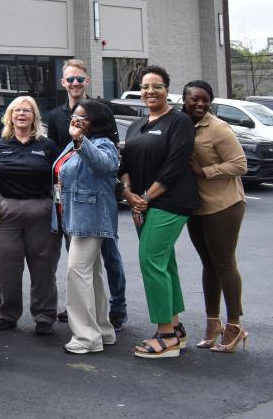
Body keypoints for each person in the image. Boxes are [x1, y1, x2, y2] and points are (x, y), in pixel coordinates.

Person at [120, 65, 197, 360]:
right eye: (145, 87)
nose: (150, 91)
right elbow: (124, 164)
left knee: (150, 259)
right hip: (141, 202)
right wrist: (129, 193)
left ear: (167, 89)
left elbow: (175, 165)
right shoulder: (137, 125)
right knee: (165, 263)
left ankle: (164, 335)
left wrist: (145, 198)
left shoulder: (179, 122)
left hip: (171, 202)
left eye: (157, 86)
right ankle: (175, 329)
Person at [48, 58, 127, 329]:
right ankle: (96, 321)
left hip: (94, 198)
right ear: (63, 83)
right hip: (69, 196)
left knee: (104, 258)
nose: (74, 83)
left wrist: (81, 140)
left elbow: (108, 158)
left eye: (79, 79)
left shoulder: (100, 113)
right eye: (70, 79)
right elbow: (58, 153)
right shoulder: (58, 115)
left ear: (86, 81)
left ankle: (116, 309)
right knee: (85, 268)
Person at [182, 80, 249, 353]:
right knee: (208, 265)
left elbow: (240, 164)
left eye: (205, 99)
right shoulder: (180, 124)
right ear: (184, 99)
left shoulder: (218, 128)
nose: (200, 104)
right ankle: (213, 324)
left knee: (224, 264)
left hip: (224, 205)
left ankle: (234, 325)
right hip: (195, 206)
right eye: (195, 99)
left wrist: (205, 171)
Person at [52, 99, 120, 354]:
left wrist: (80, 141)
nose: (75, 122)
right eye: (74, 117)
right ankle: (102, 329)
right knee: (92, 275)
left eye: (82, 118)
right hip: (77, 216)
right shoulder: (74, 143)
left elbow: (105, 165)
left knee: (77, 273)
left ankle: (85, 337)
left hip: (90, 217)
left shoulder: (102, 144)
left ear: (97, 122)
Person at [0, 96, 60, 335]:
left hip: (41, 209)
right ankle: (7, 314)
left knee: (43, 266)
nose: (21, 114)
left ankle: (44, 316)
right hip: (6, 210)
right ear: (9, 116)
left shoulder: (47, 145)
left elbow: (60, 178)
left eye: (27, 110)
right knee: (7, 268)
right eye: (17, 110)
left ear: (35, 116)